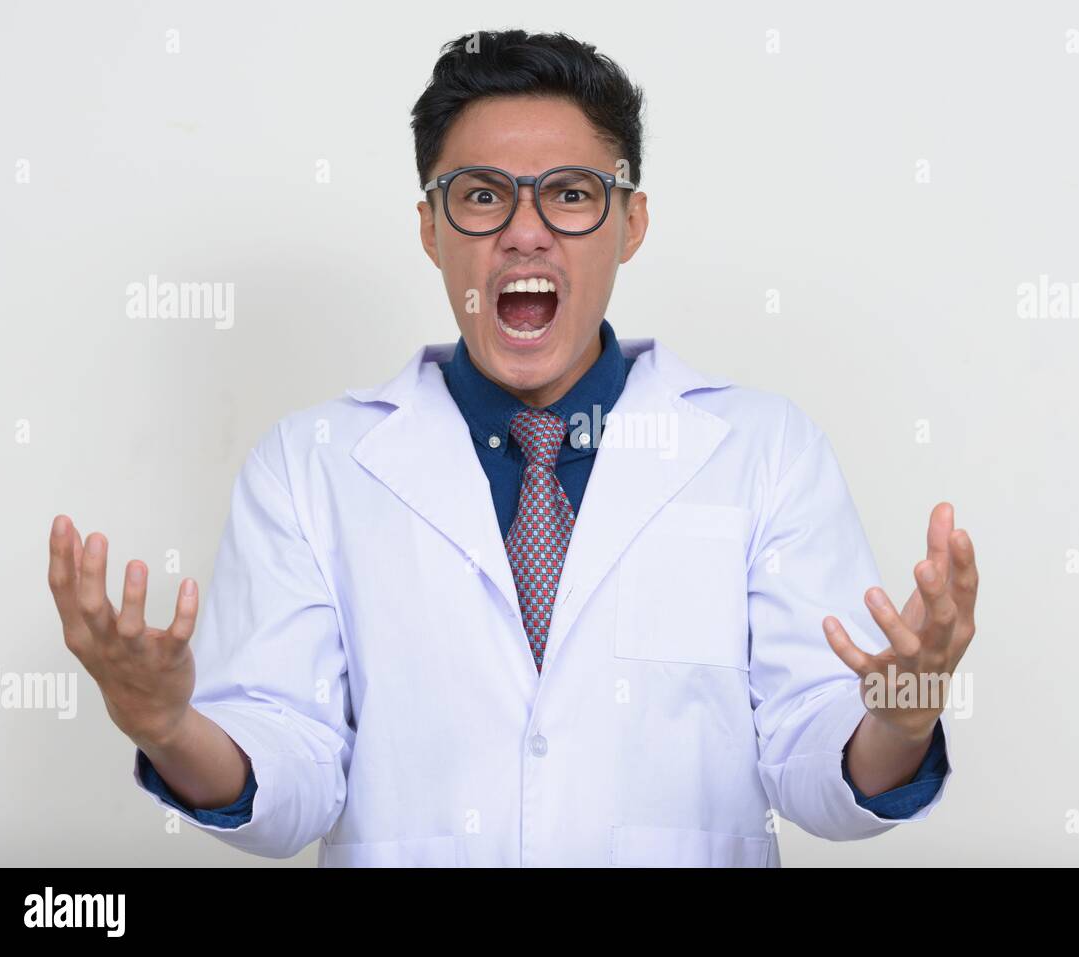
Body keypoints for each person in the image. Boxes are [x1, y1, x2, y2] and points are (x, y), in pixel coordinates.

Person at [48, 29, 978, 867]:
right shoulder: (310, 466)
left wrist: (899, 714)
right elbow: (288, 772)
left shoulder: (764, 452)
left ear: (631, 224)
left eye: (572, 194)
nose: (524, 231)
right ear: (430, 228)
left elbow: (816, 755)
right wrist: (171, 726)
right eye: (480, 196)